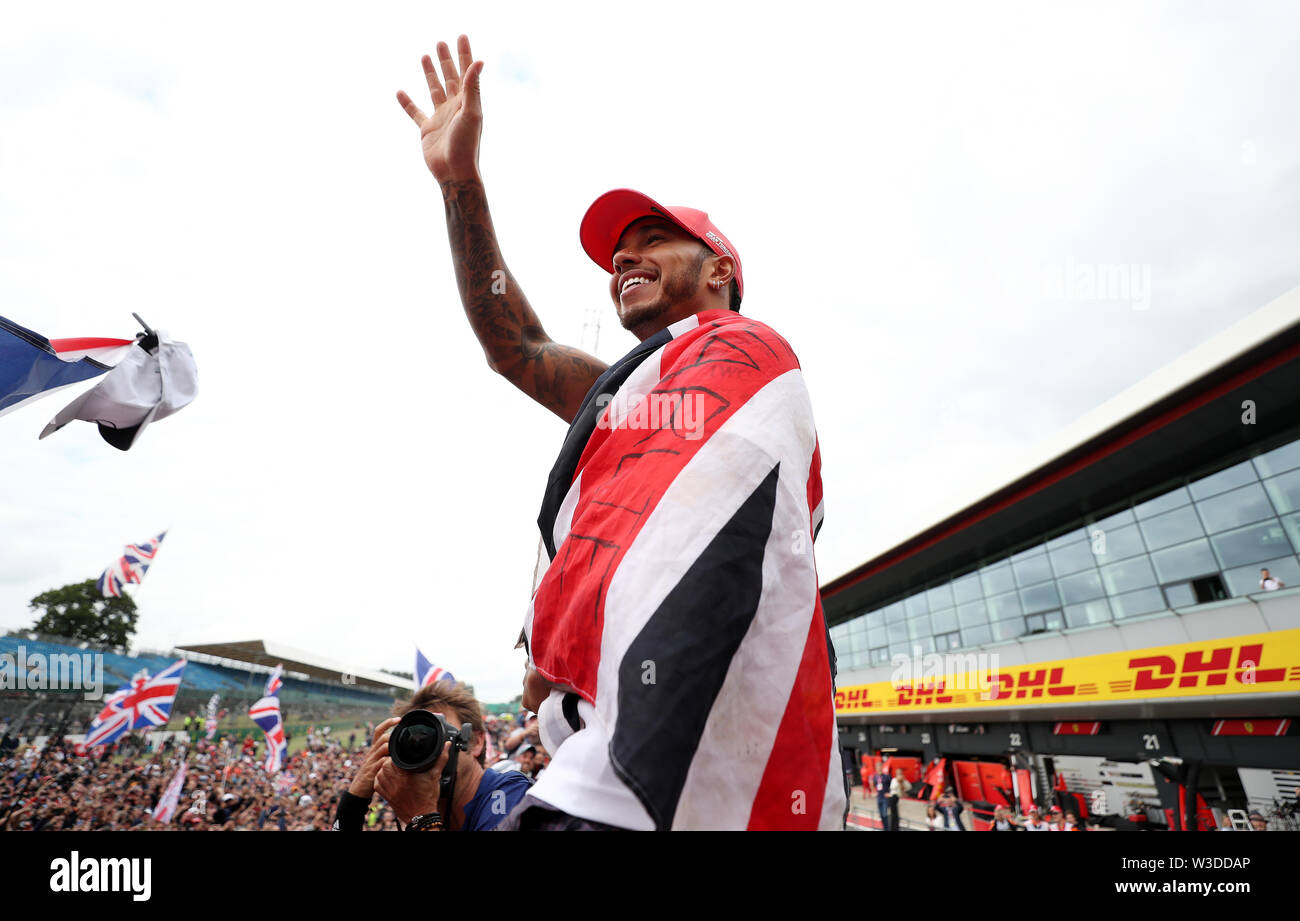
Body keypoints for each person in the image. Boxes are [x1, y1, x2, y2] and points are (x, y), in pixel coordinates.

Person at [395, 35, 845, 831]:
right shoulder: (642, 399)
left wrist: (568, 644)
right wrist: (460, 184)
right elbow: (515, 347)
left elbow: (689, 556)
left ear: (720, 272)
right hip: (601, 767)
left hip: (668, 783)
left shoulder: (749, 355)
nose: (625, 257)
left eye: (654, 240)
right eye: (618, 252)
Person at [336, 680, 530, 832]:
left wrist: (422, 819)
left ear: (476, 742)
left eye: (436, 732)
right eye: (413, 736)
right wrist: (353, 801)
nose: (422, 743)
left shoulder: (510, 793)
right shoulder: (420, 813)